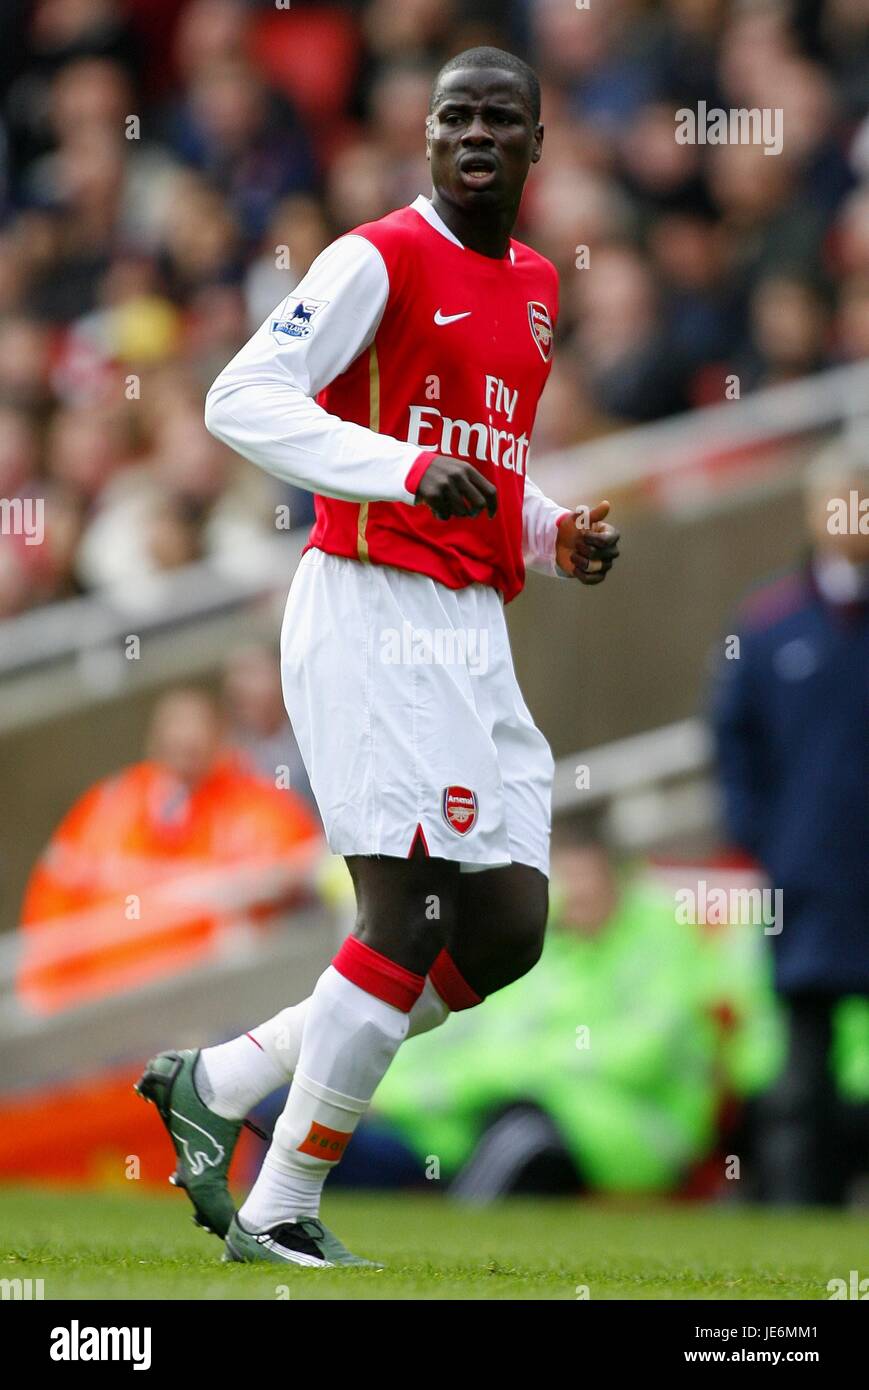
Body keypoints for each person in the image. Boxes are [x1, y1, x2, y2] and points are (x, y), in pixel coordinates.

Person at [137, 47, 621, 1268]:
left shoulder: (526, 288)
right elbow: (241, 399)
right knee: (405, 911)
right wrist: (396, 469)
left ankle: (225, 1075)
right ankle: (280, 1203)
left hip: (467, 625)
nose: (471, 132)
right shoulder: (378, 256)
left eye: (497, 118)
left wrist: (553, 533)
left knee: (505, 924)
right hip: (366, 604)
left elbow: (479, 470)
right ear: (425, 138)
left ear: (534, 145)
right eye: (450, 113)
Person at [712, 435, 869, 1204]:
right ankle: (797, 1211)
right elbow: (731, 741)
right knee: (802, 1063)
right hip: (805, 883)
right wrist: (764, 839)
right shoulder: (769, 626)